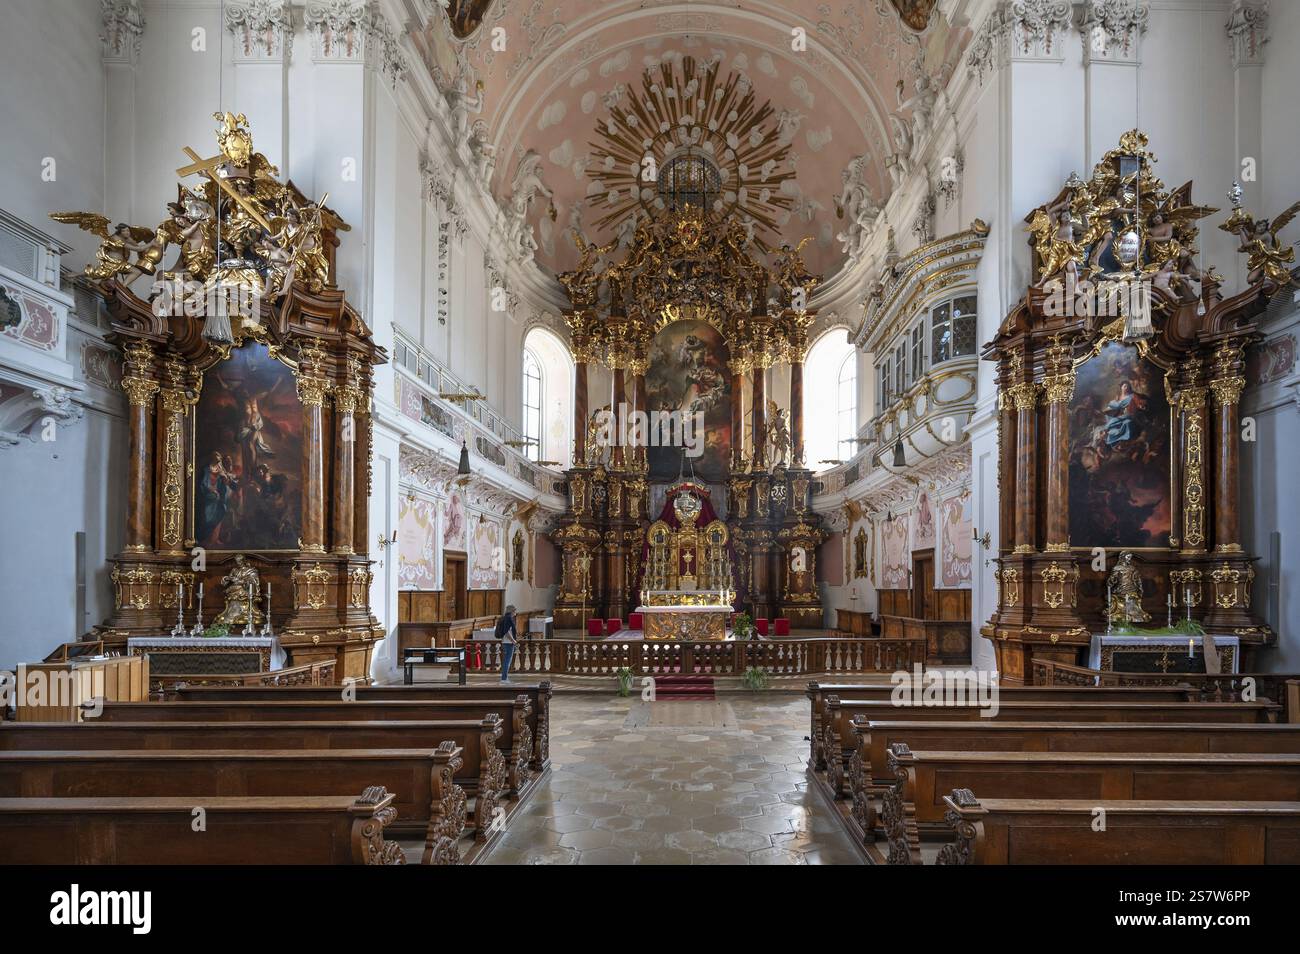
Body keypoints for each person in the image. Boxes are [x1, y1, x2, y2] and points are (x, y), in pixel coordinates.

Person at [495, 605, 518, 684]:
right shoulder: (508, 618)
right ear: (512, 611)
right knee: (507, 661)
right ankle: (504, 679)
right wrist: (513, 640)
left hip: (507, 642)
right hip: (508, 642)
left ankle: (505, 678)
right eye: (515, 610)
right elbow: (506, 631)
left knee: (507, 660)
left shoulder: (506, 617)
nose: (515, 612)